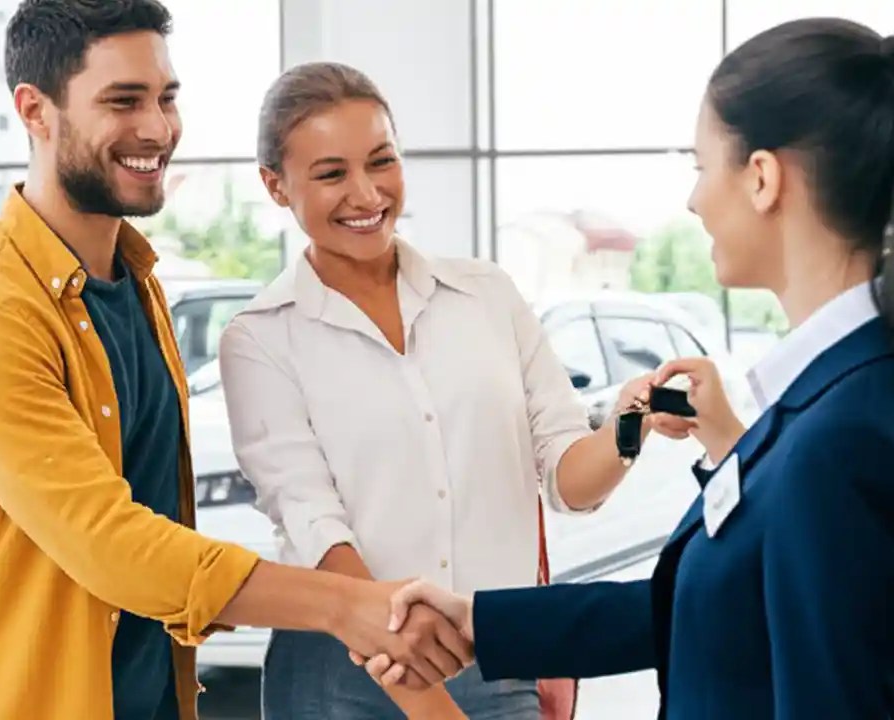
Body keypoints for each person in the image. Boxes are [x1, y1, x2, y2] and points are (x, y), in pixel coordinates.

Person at [356, 18, 894, 720]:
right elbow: (706, 610)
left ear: (762, 177)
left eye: (700, 167)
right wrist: (476, 622)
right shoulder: (841, 401)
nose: (694, 201)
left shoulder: (848, 439)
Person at [0, 4, 466, 720]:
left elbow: (159, 524)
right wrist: (349, 606)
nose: (158, 129)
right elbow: (111, 544)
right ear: (34, 110)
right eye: (123, 101)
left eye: (166, 97)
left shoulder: (137, 282)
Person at [218, 61, 669, 720]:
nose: (367, 194)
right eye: (331, 173)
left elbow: (571, 482)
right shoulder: (261, 336)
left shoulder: (485, 295)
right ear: (276, 186)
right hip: (338, 672)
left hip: (494, 653)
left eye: (382, 161)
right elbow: (313, 522)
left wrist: (629, 424)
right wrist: (427, 703)